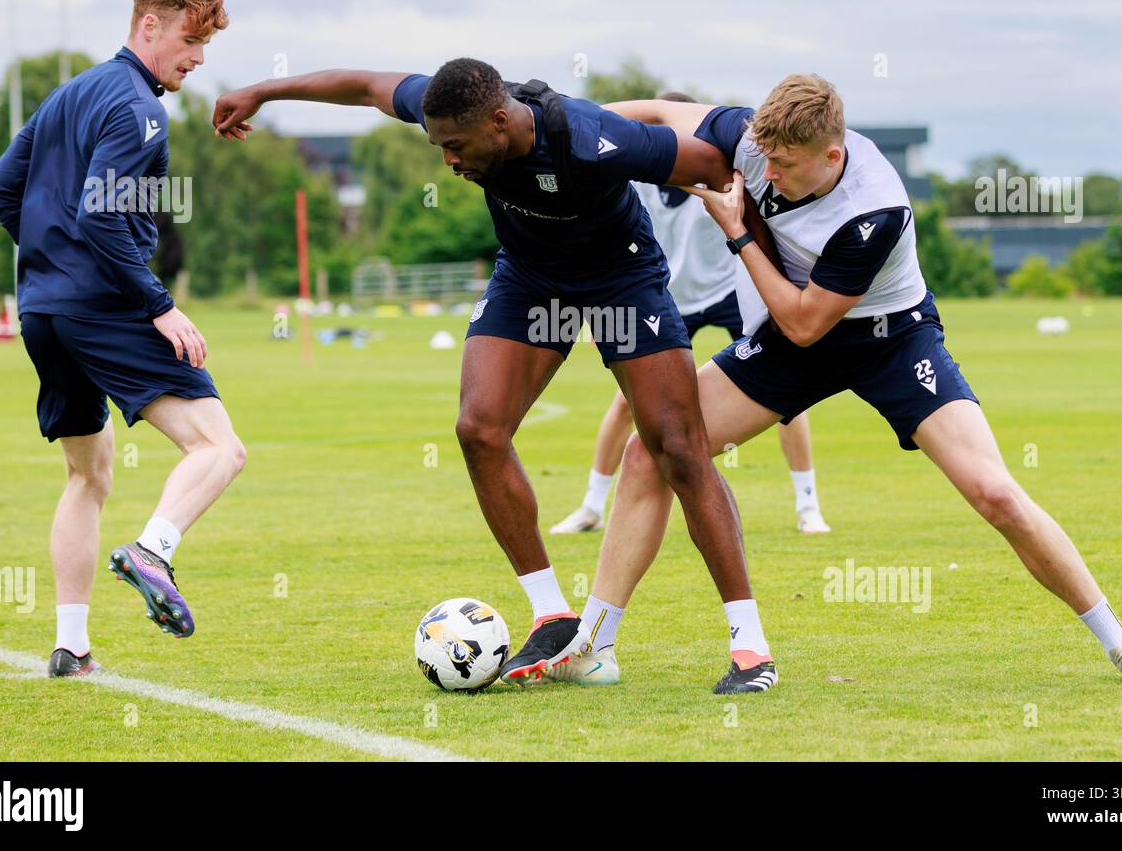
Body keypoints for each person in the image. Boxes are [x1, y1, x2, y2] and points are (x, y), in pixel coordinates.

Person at [570, 75, 1122, 691]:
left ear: (831, 156)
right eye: (765, 158)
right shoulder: (757, 138)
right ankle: (593, 647)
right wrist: (569, 120)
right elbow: (656, 112)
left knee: (995, 493)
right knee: (653, 449)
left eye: (784, 164)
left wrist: (739, 233)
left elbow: (805, 322)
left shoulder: (875, 208)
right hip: (796, 339)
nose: (768, 173)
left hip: (888, 339)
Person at [213, 58, 778, 691]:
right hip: (533, 283)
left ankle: (749, 647)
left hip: (621, 284)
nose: (448, 161)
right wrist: (264, 90)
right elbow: (366, 87)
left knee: (679, 447)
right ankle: (553, 615)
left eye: (456, 146)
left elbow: (712, 165)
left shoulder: (592, 138)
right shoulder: (452, 102)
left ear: (500, 122)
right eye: (438, 146)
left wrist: (772, 263)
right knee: (478, 429)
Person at [0, 0, 245, 678]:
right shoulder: (141, 106)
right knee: (219, 449)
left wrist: (48, 262)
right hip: (104, 305)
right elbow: (101, 214)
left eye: (206, 46)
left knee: (87, 475)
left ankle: (72, 647)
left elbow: (3, 188)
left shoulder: (70, 94)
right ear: (149, 26)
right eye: (191, 41)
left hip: (43, 311)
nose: (196, 58)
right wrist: (159, 305)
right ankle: (153, 549)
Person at [550, 94, 830, 537]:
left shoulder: (721, 173)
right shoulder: (634, 176)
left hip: (729, 293)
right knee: (627, 403)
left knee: (787, 401)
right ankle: (590, 506)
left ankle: (808, 506)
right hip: (668, 297)